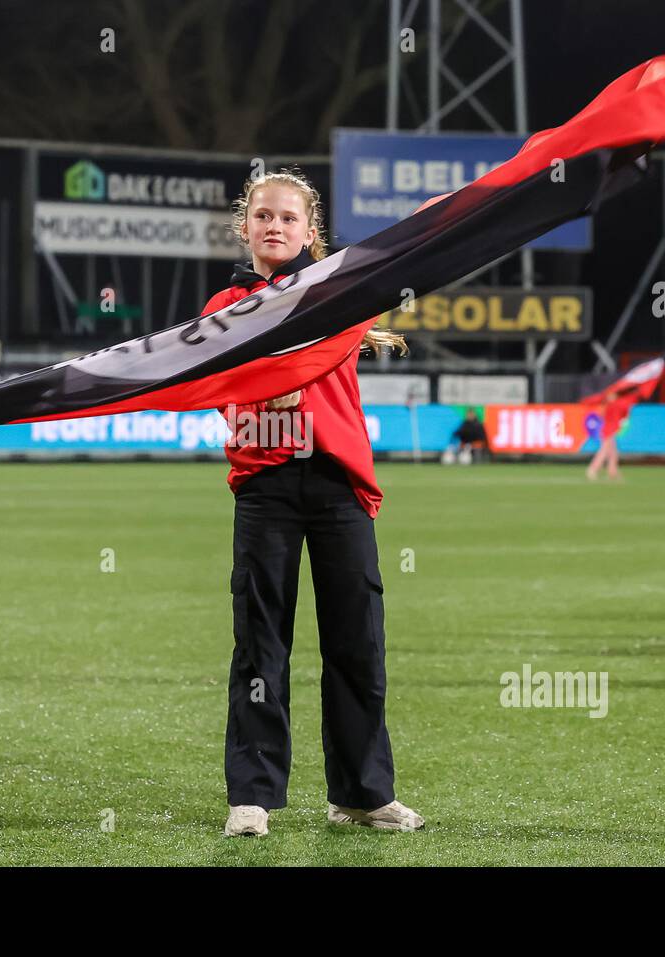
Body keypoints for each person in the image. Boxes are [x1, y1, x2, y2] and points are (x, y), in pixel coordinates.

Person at [204, 169, 424, 837]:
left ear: (310, 232)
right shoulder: (225, 305)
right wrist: (258, 388)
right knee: (260, 644)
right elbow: (211, 382)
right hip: (266, 483)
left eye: (288, 218)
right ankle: (253, 795)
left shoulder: (338, 292)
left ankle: (360, 791)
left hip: (338, 484)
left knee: (358, 641)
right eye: (263, 215)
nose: (275, 226)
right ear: (244, 227)